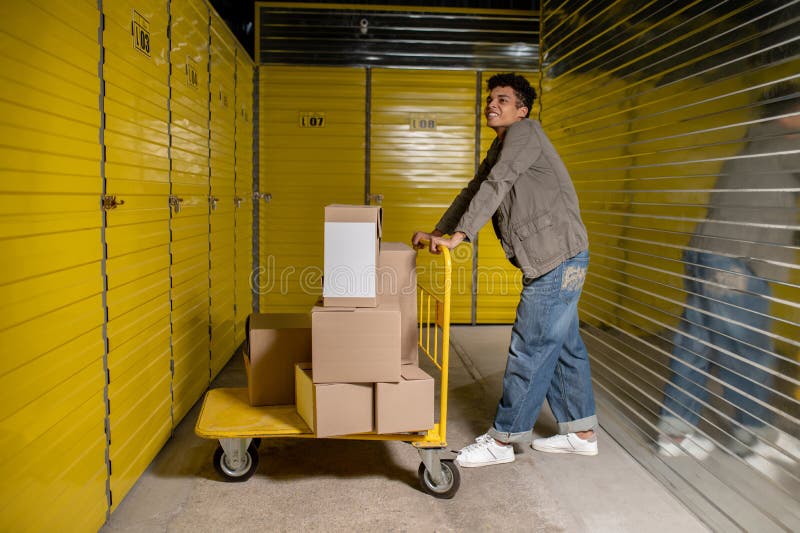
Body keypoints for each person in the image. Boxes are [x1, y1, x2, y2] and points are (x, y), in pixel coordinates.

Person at [411, 73, 597, 468]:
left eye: (503, 99)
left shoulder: (525, 132)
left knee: (530, 346)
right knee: (563, 345)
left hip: (557, 259)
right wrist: (440, 230)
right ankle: (581, 434)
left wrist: (460, 236)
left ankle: (504, 439)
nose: (492, 104)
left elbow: (498, 183)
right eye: (490, 99)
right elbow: (474, 189)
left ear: (522, 110)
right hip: (560, 257)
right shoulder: (502, 145)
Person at [656, 82, 800, 471]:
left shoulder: (752, 147)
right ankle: (753, 435)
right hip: (733, 264)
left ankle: (675, 433)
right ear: (790, 115)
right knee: (750, 349)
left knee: (696, 346)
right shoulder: (784, 147)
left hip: (706, 256)